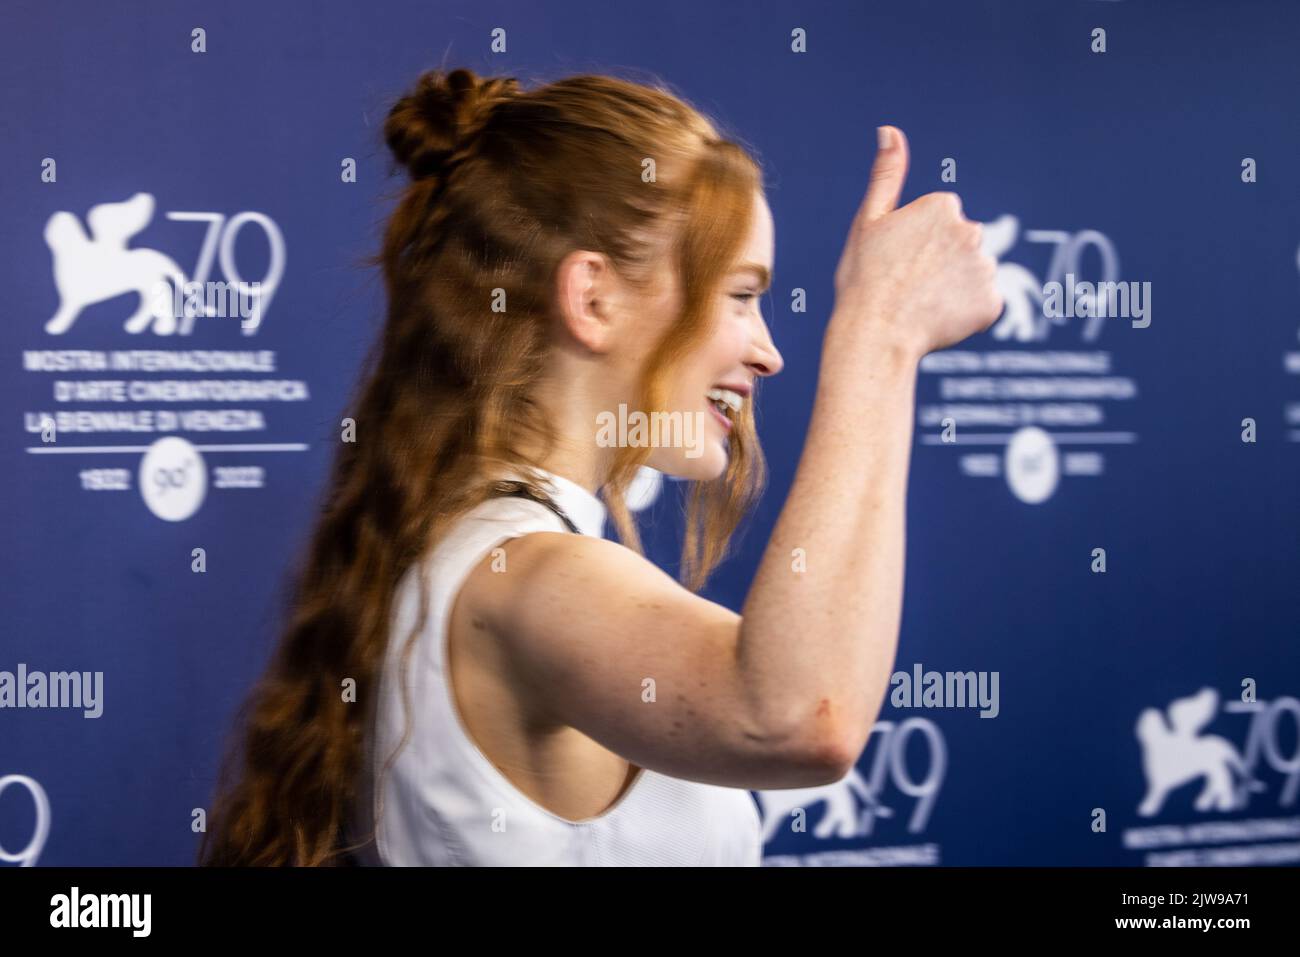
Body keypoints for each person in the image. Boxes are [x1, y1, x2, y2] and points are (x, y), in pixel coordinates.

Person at [198, 67, 1001, 867]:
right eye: (739, 296)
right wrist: (880, 332)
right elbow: (797, 716)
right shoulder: (524, 570)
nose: (767, 351)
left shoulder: (482, 547)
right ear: (593, 298)